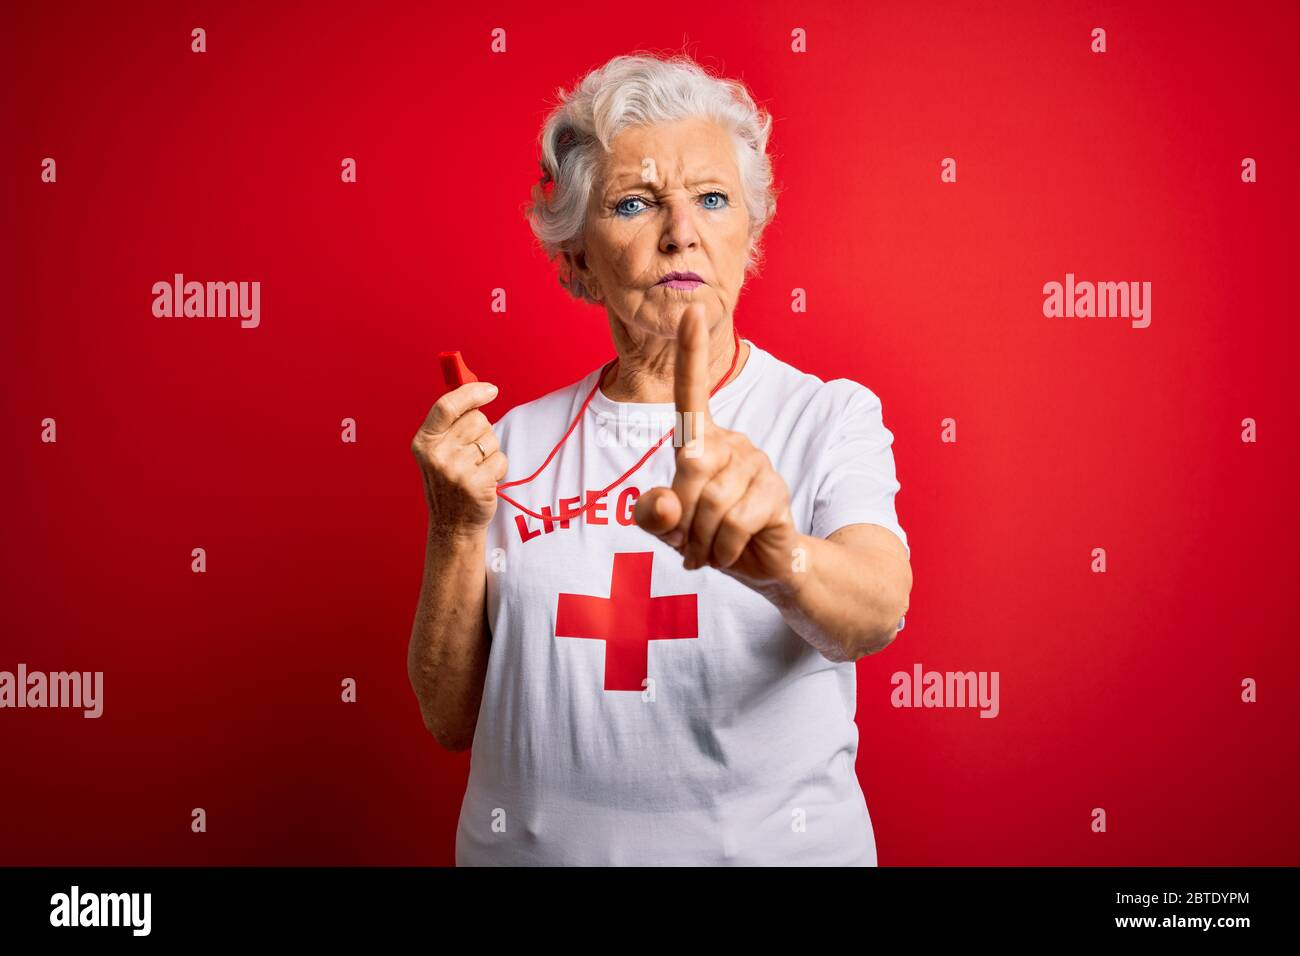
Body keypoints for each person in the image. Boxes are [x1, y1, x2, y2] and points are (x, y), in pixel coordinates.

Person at [408, 52, 913, 865]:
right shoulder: (510, 450)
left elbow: (877, 609)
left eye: (712, 199)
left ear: (747, 232)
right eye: (635, 203)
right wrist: (457, 529)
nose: (682, 231)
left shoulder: (827, 415)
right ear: (576, 262)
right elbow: (449, 718)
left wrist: (780, 559)